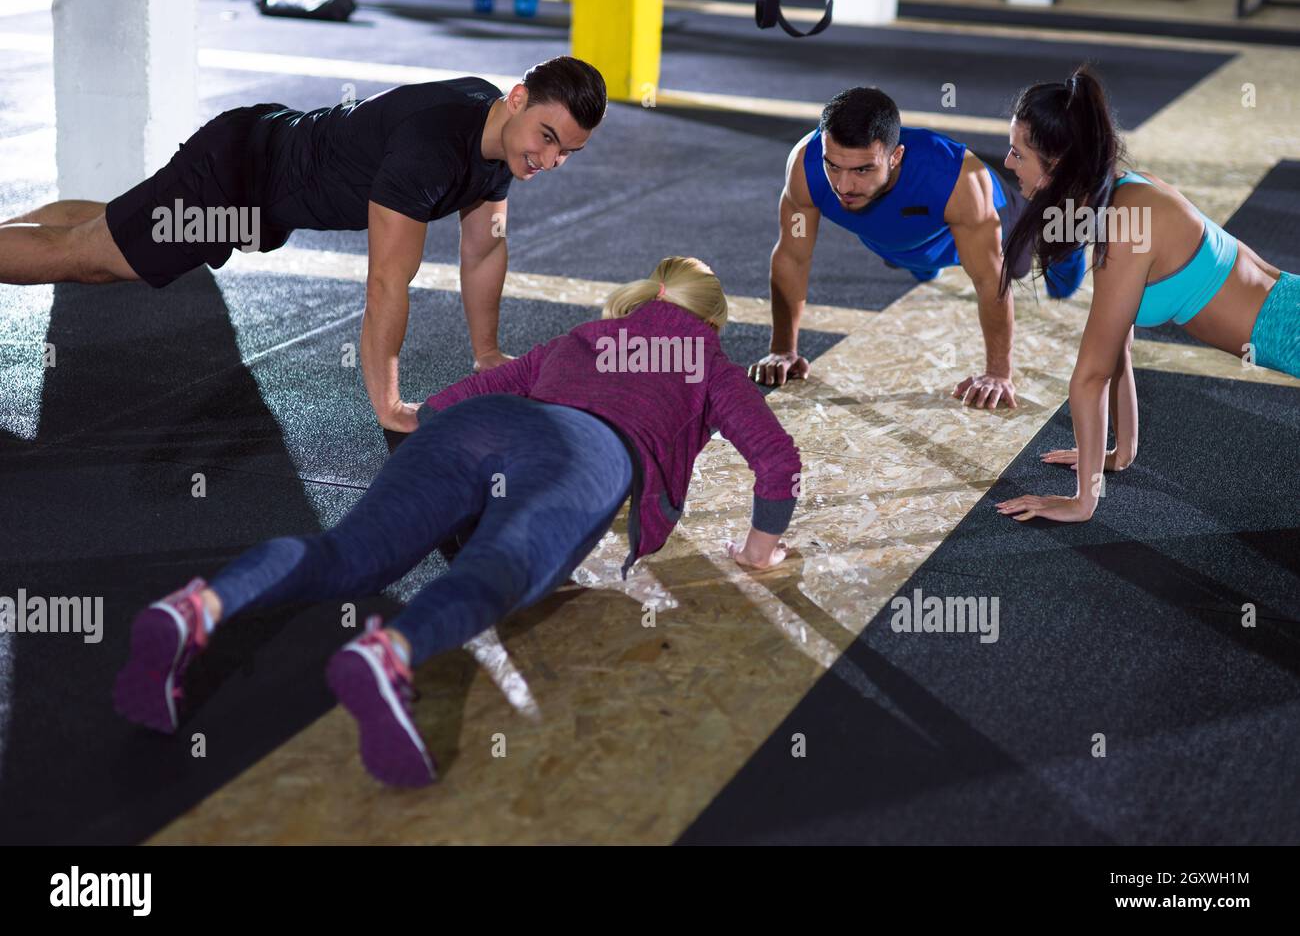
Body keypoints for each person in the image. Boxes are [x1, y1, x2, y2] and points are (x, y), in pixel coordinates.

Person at [113, 256, 802, 787]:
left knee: (348, 550)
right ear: (709, 322)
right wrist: (756, 551)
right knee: (495, 571)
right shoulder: (708, 361)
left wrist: (449, 477)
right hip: (579, 454)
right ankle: (390, 654)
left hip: (483, 425)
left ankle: (199, 605)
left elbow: (444, 406)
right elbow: (777, 459)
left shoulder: (584, 336)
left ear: (648, 295)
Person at [0, 56, 606, 432]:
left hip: (260, 174)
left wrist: (487, 354)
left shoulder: (500, 139)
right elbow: (388, 281)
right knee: (97, 260)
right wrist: (391, 407)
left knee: (110, 227)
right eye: (548, 138)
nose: (551, 160)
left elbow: (483, 251)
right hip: (234, 177)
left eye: (567, 153)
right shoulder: (432, 149)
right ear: (520, 97)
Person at [993, 65, 1297, 524]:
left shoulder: (1124, 224)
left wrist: (1082, 500)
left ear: (1056, 165)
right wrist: (1120, 452)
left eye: (1018, 154)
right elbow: (1119, 348)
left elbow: (1090, 376)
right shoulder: (1129, 193)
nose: (1007, 162)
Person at [748, 86, 1088, 409]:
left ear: (895, 156)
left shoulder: (957, 178)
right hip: (906, 242)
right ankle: (926, 261)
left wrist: (998, 373)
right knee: (916, 264)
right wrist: (782, 350)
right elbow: (792, 257)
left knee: (1024, 265)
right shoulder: (806, 166)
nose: (843, 185)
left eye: (863, 169)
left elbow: (988, 280)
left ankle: (1067, 243)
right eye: (833, 165)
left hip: (985, 219)